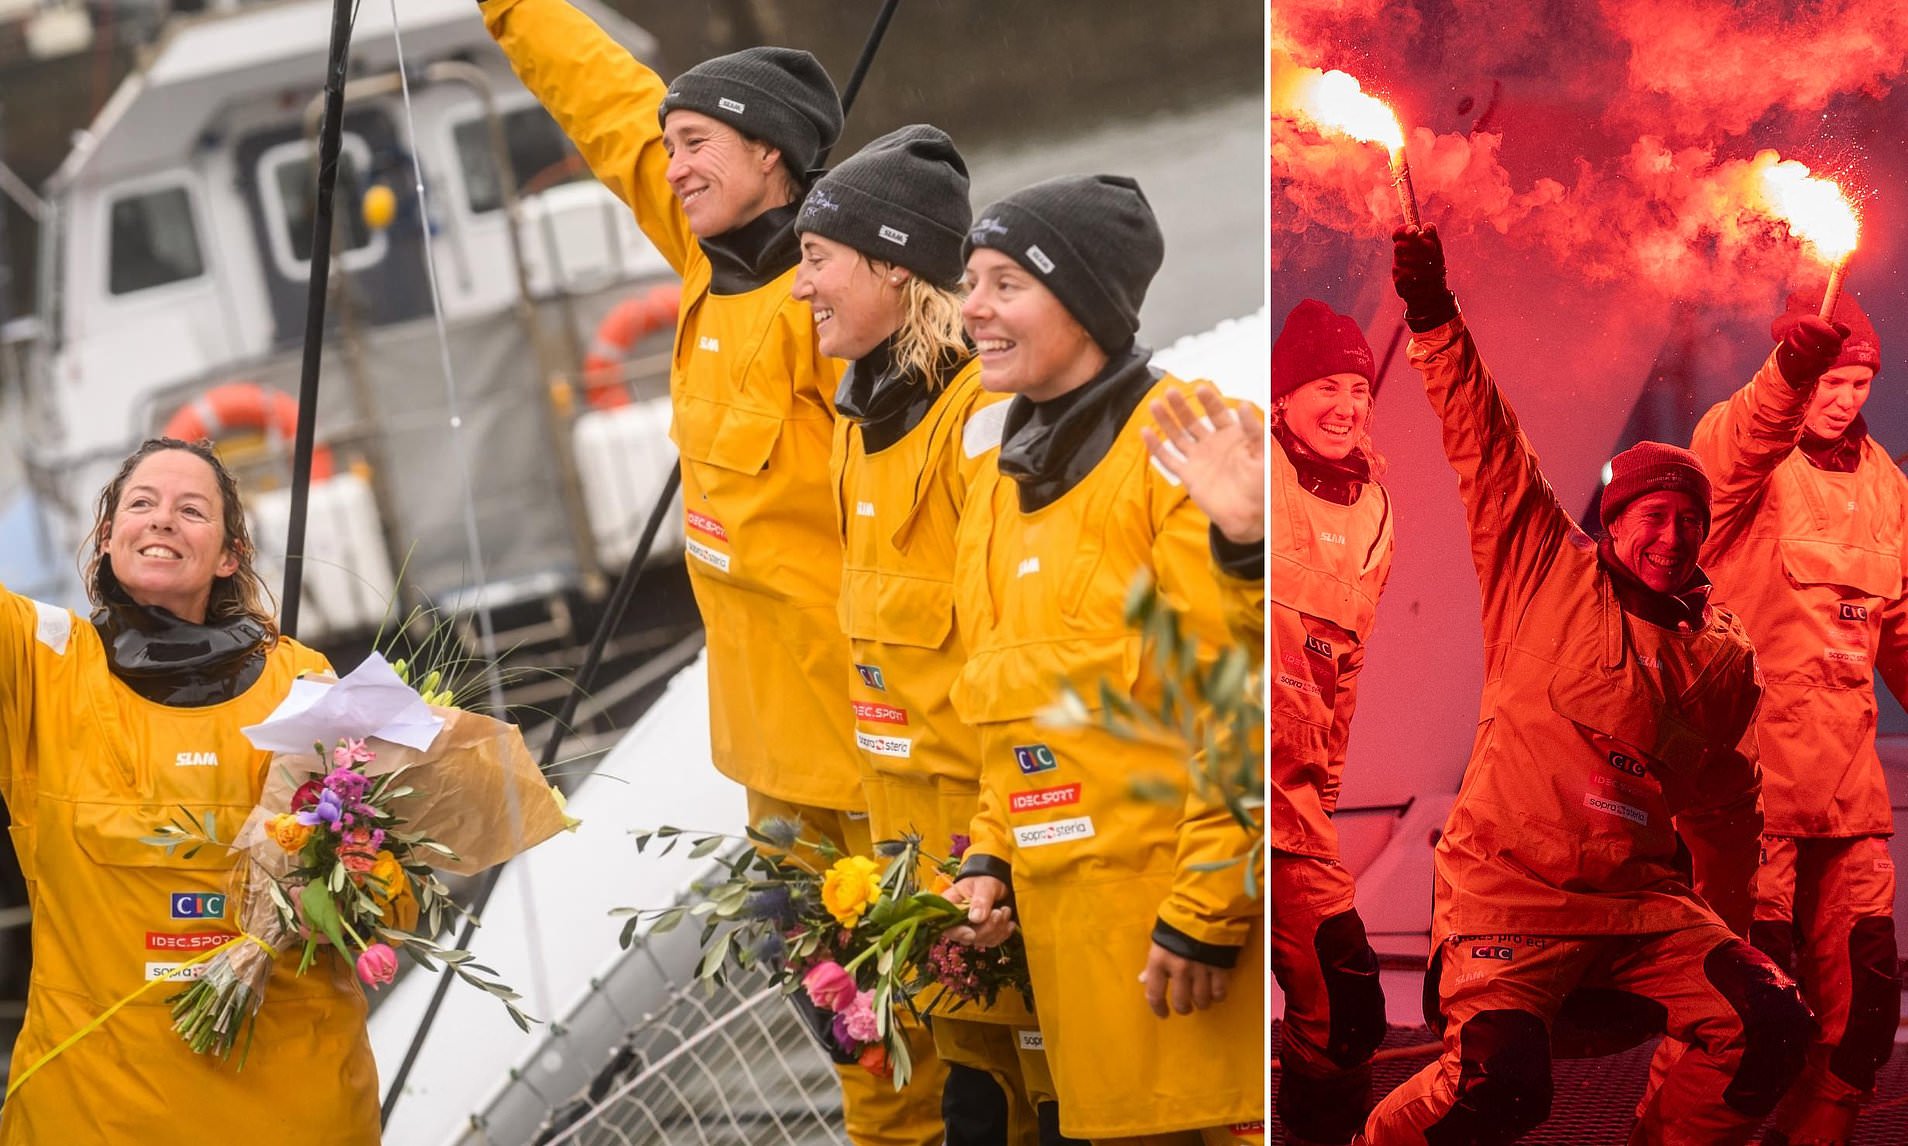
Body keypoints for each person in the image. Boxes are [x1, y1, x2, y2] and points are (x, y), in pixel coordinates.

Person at [480, 4, 918, 1138]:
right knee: (845, 1024)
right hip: (768, 755)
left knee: (931, 1017)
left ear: (768, 154)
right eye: (668, 149)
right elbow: (602, 98)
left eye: (696, 148)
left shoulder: (843, 303)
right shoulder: (697, 248)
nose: (669, 167)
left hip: (877, 751)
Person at [1361, 225, 1815, 1144]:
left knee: (1769, 1026)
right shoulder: (1544, 575)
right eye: (1653, 516)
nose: (1672, 537)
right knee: (1500, 1087)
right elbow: (1485, 441)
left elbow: (1729, 812)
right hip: (1509, 893)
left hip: (1641, 908)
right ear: (1613, 525)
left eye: (1690, 522)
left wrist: (1742, 938)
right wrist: (1433, 314)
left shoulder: (1721, 658)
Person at [943, 175, 1265, 1144]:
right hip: (1086, 1017)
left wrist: (1207, 914)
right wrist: (988, 858)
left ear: (1083, 299)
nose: (974, 310)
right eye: (968, 282)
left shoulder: (1188, 447)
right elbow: (1013, 719)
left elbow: (1240, 699)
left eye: (1007, 283)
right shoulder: (999, 490)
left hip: (1197, 985)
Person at [792, 124, 1071, 1143]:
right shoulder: (860, 419)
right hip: (920, 877)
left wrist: (996, 864)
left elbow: (1024, 657)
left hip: (997, 882)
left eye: (817, 259)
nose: (799, 286)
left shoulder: (979, 428)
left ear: (893, 265)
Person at [0, 439, 377, 1143]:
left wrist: (328, 893)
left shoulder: (303, 682)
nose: (163, 520)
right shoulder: (40, 666)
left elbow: (383, 887)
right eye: (141, 504)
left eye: (191, 510)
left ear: (230, 554)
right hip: (94, 1112)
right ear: (108, 537)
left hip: (294, 1106)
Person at [1170, 299, 1388, 1146]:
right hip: (1211, 792)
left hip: (1296, 806)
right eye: (1324, 386)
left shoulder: (1375, 508)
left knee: (1348, 1006)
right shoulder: (1248, 467)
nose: (1346, 405)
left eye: (1360, 388)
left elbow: (1348, 667)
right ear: (1283, 396)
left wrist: (1326, 796)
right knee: (1197, 1003)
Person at [1687, 291, 1902, 1145]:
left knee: (1861, 1021)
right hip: (1754, 801)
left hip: (1850, 802)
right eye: (1829, 377)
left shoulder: (1889, 486)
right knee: (1741, 1027)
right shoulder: (1746, 467)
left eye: (1858, 380)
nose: (1844, 396)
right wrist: (1785, 372)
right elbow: (1735, 447)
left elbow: (1905, 627)